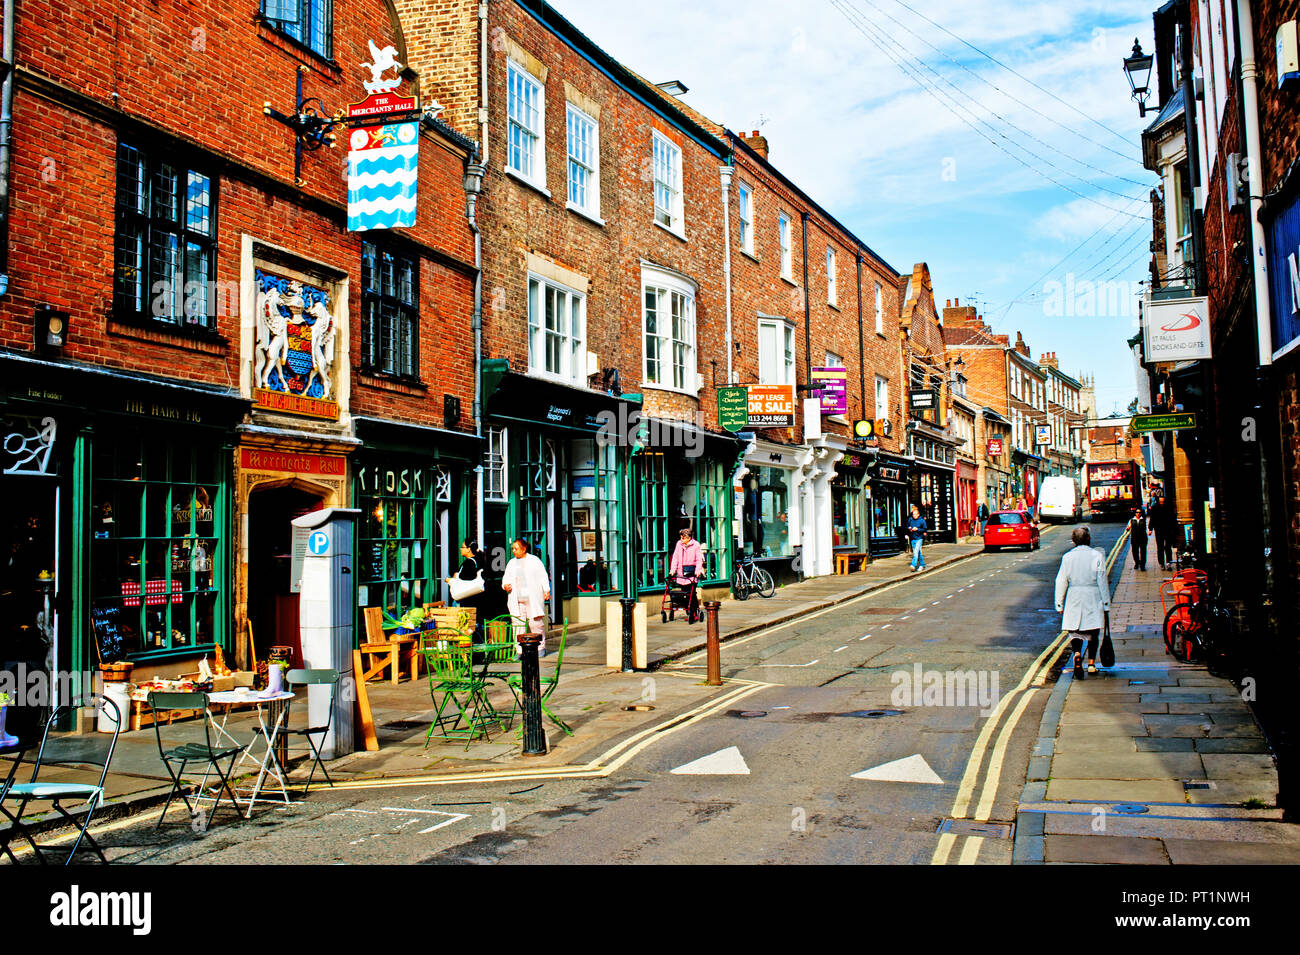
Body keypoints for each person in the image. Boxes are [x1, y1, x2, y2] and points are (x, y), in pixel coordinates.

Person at [1054, 525, 1111, 677]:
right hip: (1092, 595)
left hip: (1074, 595)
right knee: (1093, 632)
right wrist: (1106, 603)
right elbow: (1102, 580)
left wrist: (1059, 603)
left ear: (1073, 541)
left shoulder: (1067, 557)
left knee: (1075, 630)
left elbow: (1061, 580)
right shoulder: (1096, 556)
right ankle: (1091, 664)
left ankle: (1077, 654)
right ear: (1088, 539)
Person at [502, 537, 551, 655]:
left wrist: (546, 590)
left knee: (536, 624)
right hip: (517, 598)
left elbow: (543, 576)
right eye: (513, 549)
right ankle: (519, 650)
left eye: (516, 548)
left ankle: (540, 647)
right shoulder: (511, 563)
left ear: (524, 549)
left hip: (532, 598)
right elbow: (506, 577)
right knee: (518, 624)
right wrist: (505, 586)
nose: (514, 551)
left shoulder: (535, 561)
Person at [1147, 494, 1174, 570]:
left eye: (1163, 501)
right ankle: (1161, 563)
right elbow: (1152, 519)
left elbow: (1172, 518)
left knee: (1168, 547)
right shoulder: (1155, 508)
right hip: (1158, 530)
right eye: (1160, 501)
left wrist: (1173, 529)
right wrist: (1150, 529)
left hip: (1167, 530)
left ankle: (1169, 563)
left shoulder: (1168, 507)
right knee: (1160, 547)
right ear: (1158, 501)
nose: (1162, 502)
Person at [906, 504, 928, 572]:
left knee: (915, 552)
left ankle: (913, 565)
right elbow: (907, 526)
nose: (914, 516)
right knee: (918, 553)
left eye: (915, 514)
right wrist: (908, 530)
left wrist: (917, 529)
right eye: (913, 514)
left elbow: (925, 529)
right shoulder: (910, 520)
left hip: (919, 538)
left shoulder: (922, 521)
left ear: (918, 514)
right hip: (912, 538)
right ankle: (922, 564)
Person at [1127, 505, 1148, 571]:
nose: (1138, 514)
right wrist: (1128, 528)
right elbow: (1128, 527)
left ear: (1141, 513)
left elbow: (1146, 528)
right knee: (1135, 552)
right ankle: (1137, 562)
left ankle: (1142, 565)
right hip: (1134, 538)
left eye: (1139, 512)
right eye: (1137, 512)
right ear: (1135, 513)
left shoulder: (1143, 520)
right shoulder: (1132, 520)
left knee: (1143, 552)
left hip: (1143, 538)